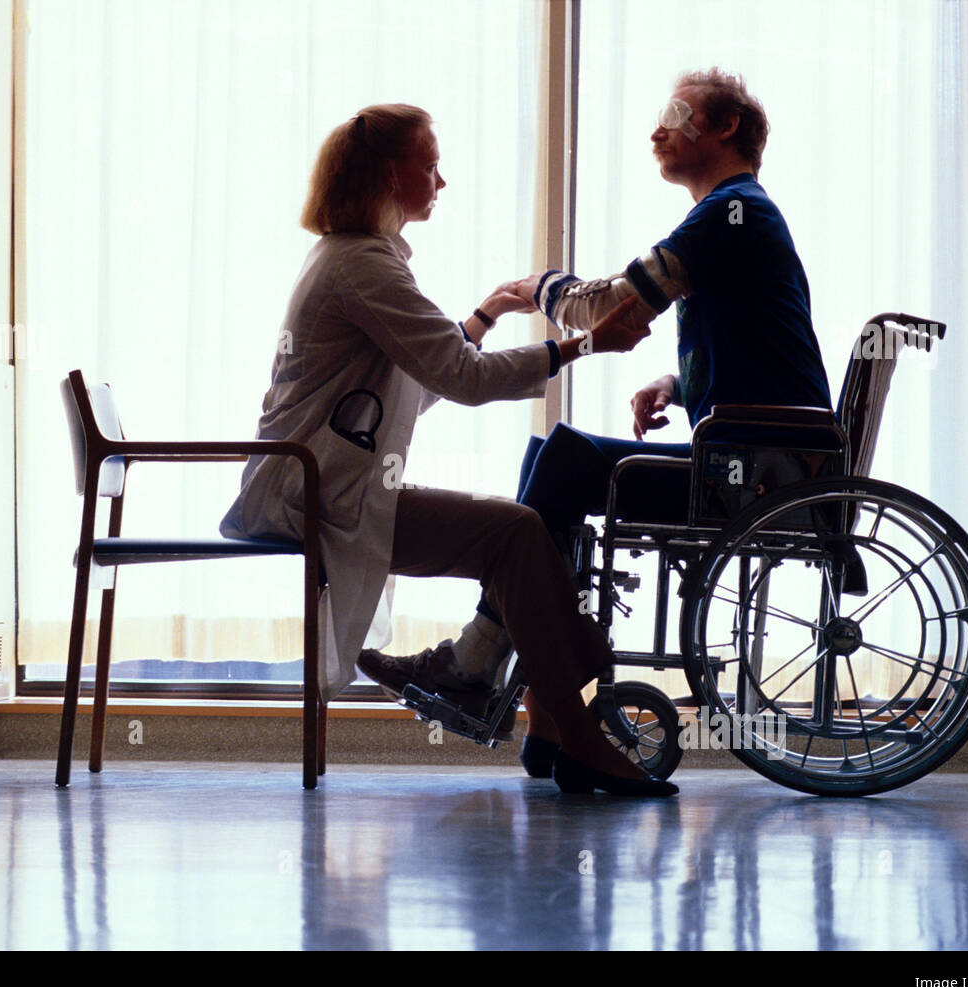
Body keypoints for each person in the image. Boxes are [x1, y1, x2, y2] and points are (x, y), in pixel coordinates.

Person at [358, 69, 833, 778]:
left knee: (566, 455)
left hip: (762, 472)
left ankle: (484, 662)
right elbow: (760, 355)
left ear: (725, 127)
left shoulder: (733, 213)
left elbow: (607, 304)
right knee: (550, 455)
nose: (655, 129)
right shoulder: (738, 219)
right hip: (757, 453)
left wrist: (536, 287)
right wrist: (677, 382)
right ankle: (539, 712)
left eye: (675, 113)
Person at [220, 103, 677, 796]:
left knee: (516, 531)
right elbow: (460, 380)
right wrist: (584, 343)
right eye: (430, 165)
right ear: (387, 173)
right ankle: (569, 722)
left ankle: (527, 702)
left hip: (322, 485)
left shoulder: (357, 260)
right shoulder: (362, 267)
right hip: (313, 495)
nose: (442, 179)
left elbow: (419, 382)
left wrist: (486, 316)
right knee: (517, 532)